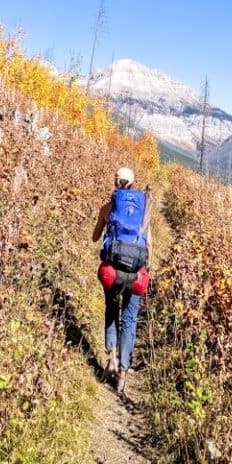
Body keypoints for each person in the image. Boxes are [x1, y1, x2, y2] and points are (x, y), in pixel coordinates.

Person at [92, 166, 152, 394]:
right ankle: (124, 372)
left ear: (115, 183)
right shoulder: (144, 209)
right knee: (130, 318)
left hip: (113, 270)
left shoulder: (108, 208)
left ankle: (112, 357)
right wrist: (146, 270)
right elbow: (148, 244)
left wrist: (105, 222)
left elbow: (94, 236)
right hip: (136, 270)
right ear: (133, 184)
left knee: (111, 309)